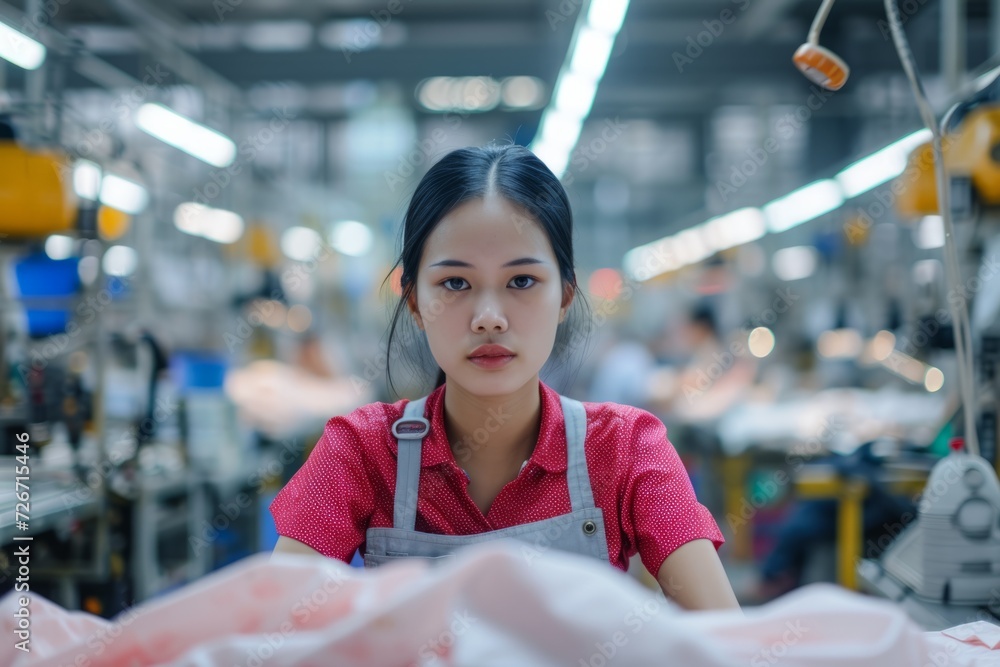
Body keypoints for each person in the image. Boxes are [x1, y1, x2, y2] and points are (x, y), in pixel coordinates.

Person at [270, 144, 739, 611]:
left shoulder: (626, 450)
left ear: (565, 298)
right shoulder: (362, 452)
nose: (489, 318)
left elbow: (726, 640)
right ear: (415, 303)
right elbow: (268, 635)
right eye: (455, 283)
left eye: (521, 282)